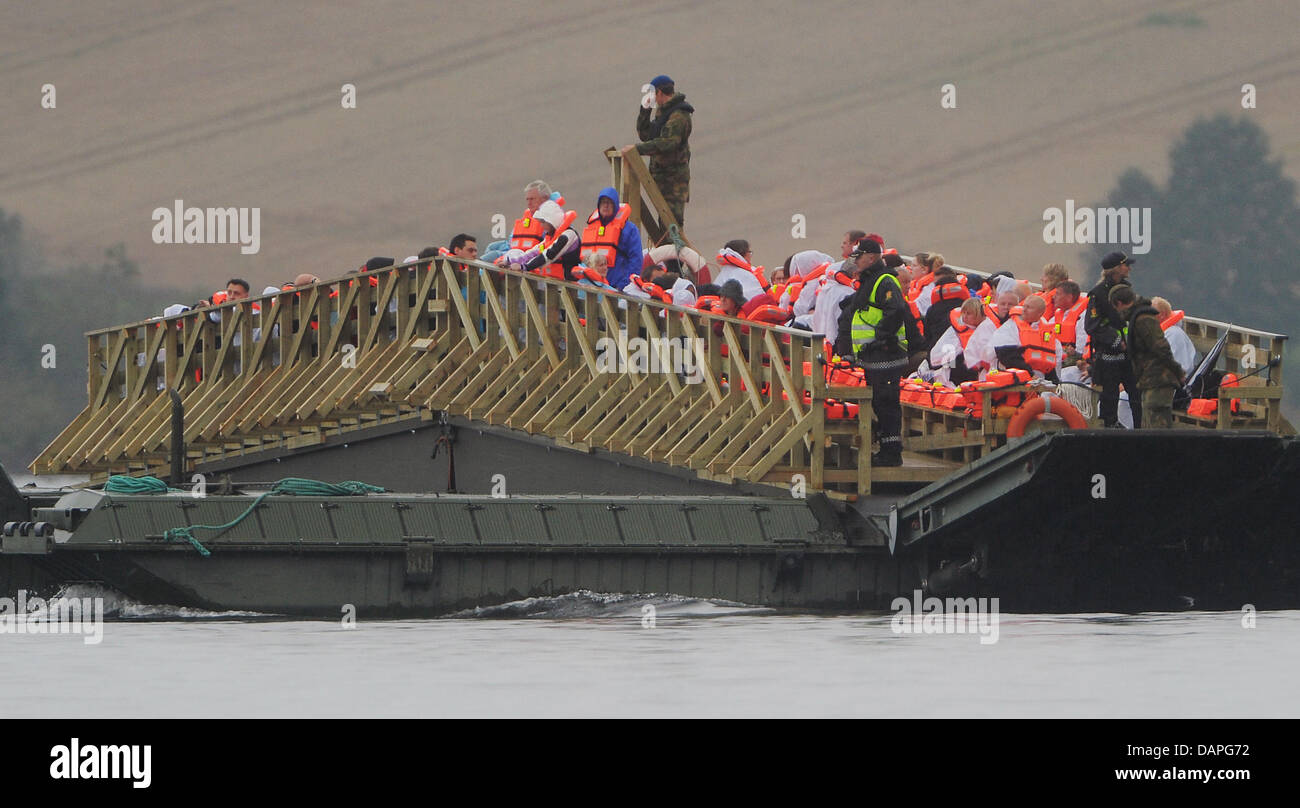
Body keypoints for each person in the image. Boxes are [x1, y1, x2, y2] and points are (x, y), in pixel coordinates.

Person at [834, 239, 913, 467]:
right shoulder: (870, 281)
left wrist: (880, 337)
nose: (856, 261)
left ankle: (891, 453)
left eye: (858, 257)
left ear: (870, 257)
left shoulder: (884, 280)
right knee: (880, 402)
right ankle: (887, 450)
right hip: (873, 356)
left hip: (886, 354)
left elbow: (896, 309)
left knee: (887, 403)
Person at [1111, 286, 1184, 428]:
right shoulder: (1137, 317)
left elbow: (1161, 347)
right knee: (1148, 424)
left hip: (1158, 381)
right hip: (1149, 381)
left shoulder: (1143, 319)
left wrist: (1178, 372)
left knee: (1158, 426)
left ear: (1119, 304)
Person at [626, 75, 693, 227]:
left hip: (673, 181)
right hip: (661, 178)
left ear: (660, 92)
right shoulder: (664, 113)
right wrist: (645, 111)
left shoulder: (679, 116)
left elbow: (667, 143)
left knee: (671, 224)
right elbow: (646, 136)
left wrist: (636, 150)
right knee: (664, 224)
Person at [1086, 251, 1141, 428]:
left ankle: (1141, 429)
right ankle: (1109, 429)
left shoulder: (1127, 290)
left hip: (1129, 354)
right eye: (1126, 265)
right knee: (1110, 396)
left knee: (1136, 393)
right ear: (1117, 269)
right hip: (1108, 355)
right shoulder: (1098, 294)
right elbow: (1092, 325)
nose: (1129, 268)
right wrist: (1116, 340)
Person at [580, 187, 642, 291]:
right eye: (603, 202)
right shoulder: (592, 227)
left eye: (609, 203)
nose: (606, 206)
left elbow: (636, 260)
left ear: (615, 206)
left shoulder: (629, 229)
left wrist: (624, 284)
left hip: (617, 286)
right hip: (593, 284)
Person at [991, 294, 1058, 379]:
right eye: (1024, 306)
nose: (1024, 310)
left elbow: (1051, 361)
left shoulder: (1047, 330)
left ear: (1040, 313)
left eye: (1029, 308)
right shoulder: (1011, 326)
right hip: (1015, 377)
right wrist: (1030, 374)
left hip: (1040, 380)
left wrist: (1054, 382)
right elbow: (1006, 355)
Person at [510, 200, 580, 279]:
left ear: (552, 221)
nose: (541, 225)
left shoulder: (568, 235)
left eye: (543, 222)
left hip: (568, 285)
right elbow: (534, 251)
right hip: (553, 282)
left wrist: (524, 267)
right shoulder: (551, 236)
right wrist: (510, 261)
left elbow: (549, 255)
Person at [923, 266, 970, 352]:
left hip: (937, 354)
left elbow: (927, 336)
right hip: (961, 354)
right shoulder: (968, 307)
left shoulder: (932, 310)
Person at [1151, 296, 1197, 377]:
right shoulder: (1165, 333)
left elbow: (1176, 366)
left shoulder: (1173, 334)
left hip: (1171, 383)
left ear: (1162, 315)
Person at [510, 180, 553, 252]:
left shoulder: (554, 222)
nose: (529, 203)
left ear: (545, 198)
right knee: (491, 249)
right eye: (527, 199)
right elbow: (510, 242)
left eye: (532, 199)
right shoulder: (527, 217)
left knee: (489, 257)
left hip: (533, 259)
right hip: (514, 254)